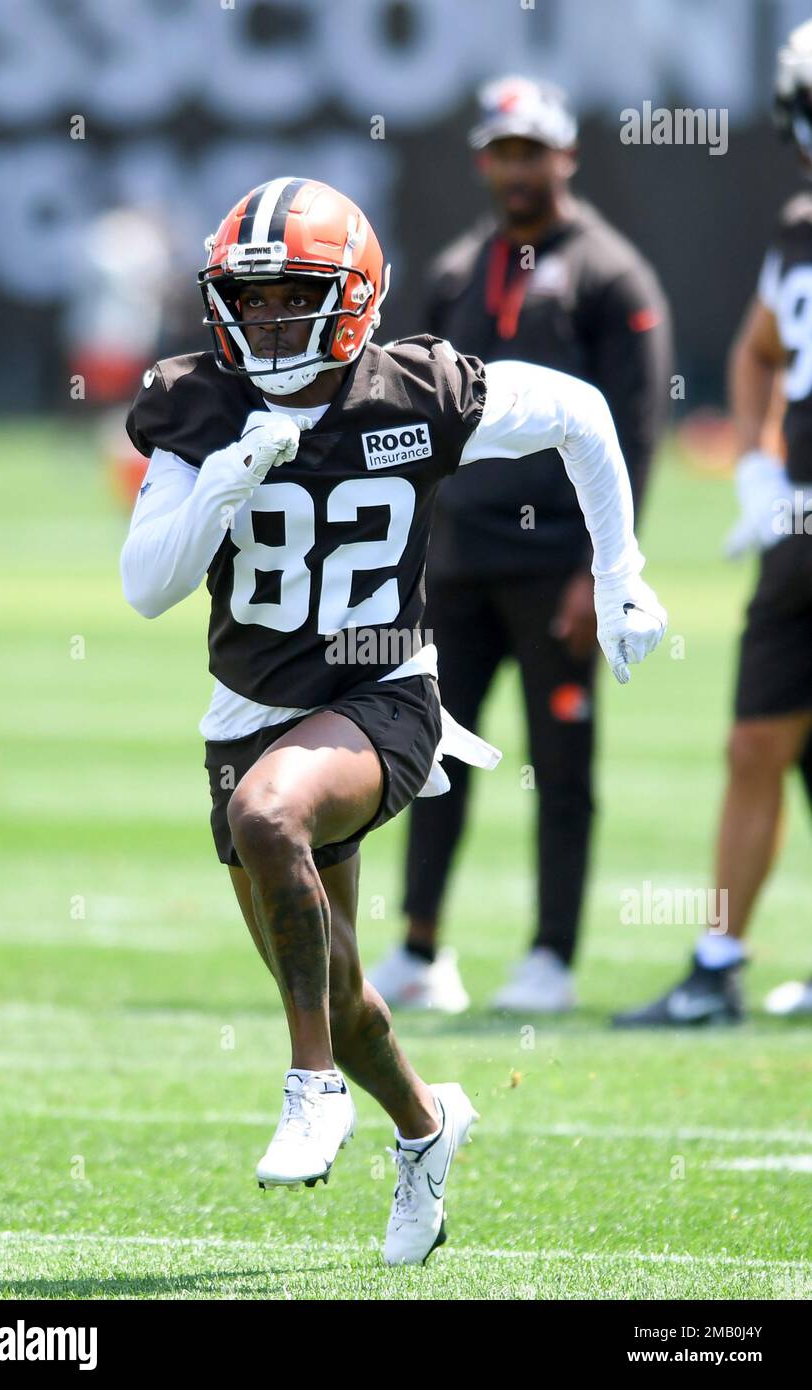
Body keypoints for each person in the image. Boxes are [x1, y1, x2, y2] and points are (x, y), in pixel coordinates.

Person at [120, 176, 666, 1261]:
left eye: (292, 297)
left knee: (272, 820)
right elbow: (146, 586)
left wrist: (619, 573)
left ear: (354, 297)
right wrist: (225, 478)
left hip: (383, 694)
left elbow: (580, 413)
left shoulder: (414, 389)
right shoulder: (199, 407)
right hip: (249, 714)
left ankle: (308, 1082)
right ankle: (425, 1126)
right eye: (251, 298)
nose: (266, 320)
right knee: (338, 982)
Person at [368, 77, 671, 1014]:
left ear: (565, 155)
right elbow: (417, 409)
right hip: (459, 562)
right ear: (482, 160)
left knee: (562, 763)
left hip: (555, 571)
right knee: (435, 753)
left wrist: (605, 565)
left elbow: (635, 427)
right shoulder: (459, 269)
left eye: (531, 150)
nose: (515, 168)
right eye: (502, 151)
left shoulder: (610, 272)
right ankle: (421, 948)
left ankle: (551, 956)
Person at [614, 20, 812, 1027]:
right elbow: (753, 353)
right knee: (752, 744)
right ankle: (716, 966)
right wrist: (754, 469)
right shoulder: (795, 227)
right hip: (798, 541)